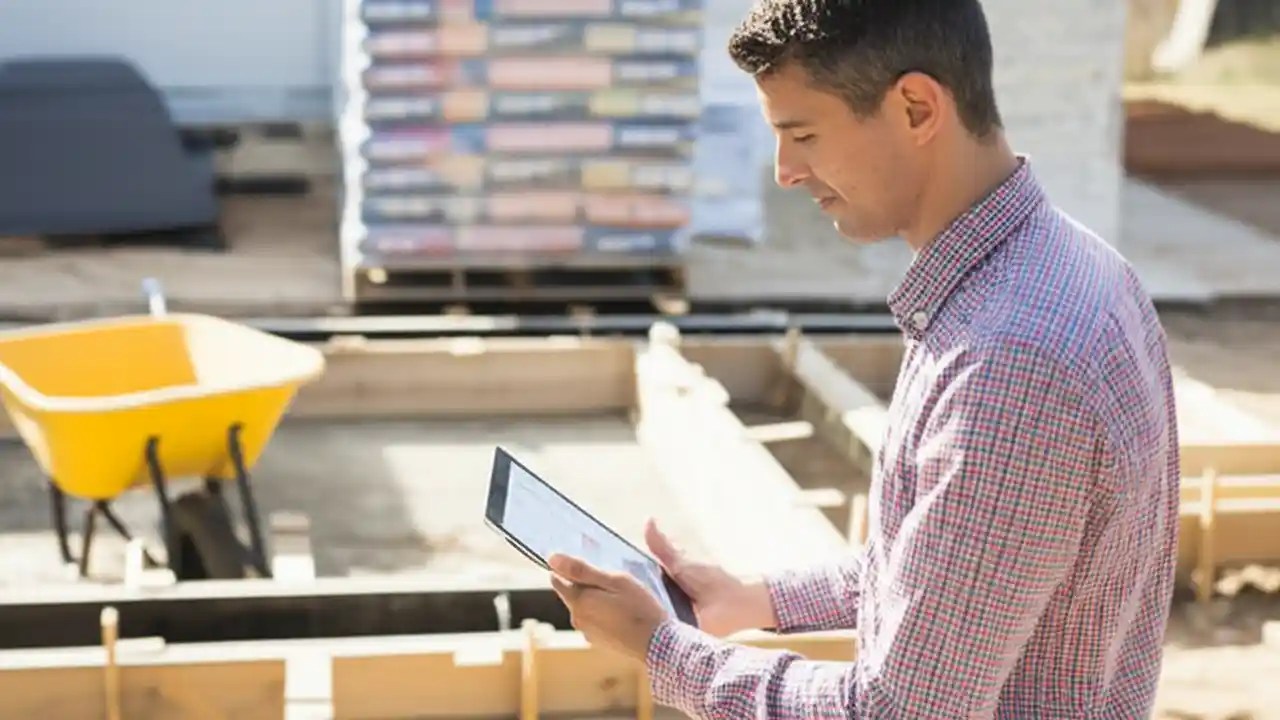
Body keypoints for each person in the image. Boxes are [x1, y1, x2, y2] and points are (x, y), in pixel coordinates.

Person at [547, 0, 1182, 717]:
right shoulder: (1068, 269)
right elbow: (953, 568)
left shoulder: (1009, 360)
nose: (786, 171)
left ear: (915, 107)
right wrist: (751, 600)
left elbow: (896, 710)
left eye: (804, 134)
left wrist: (663, 649)